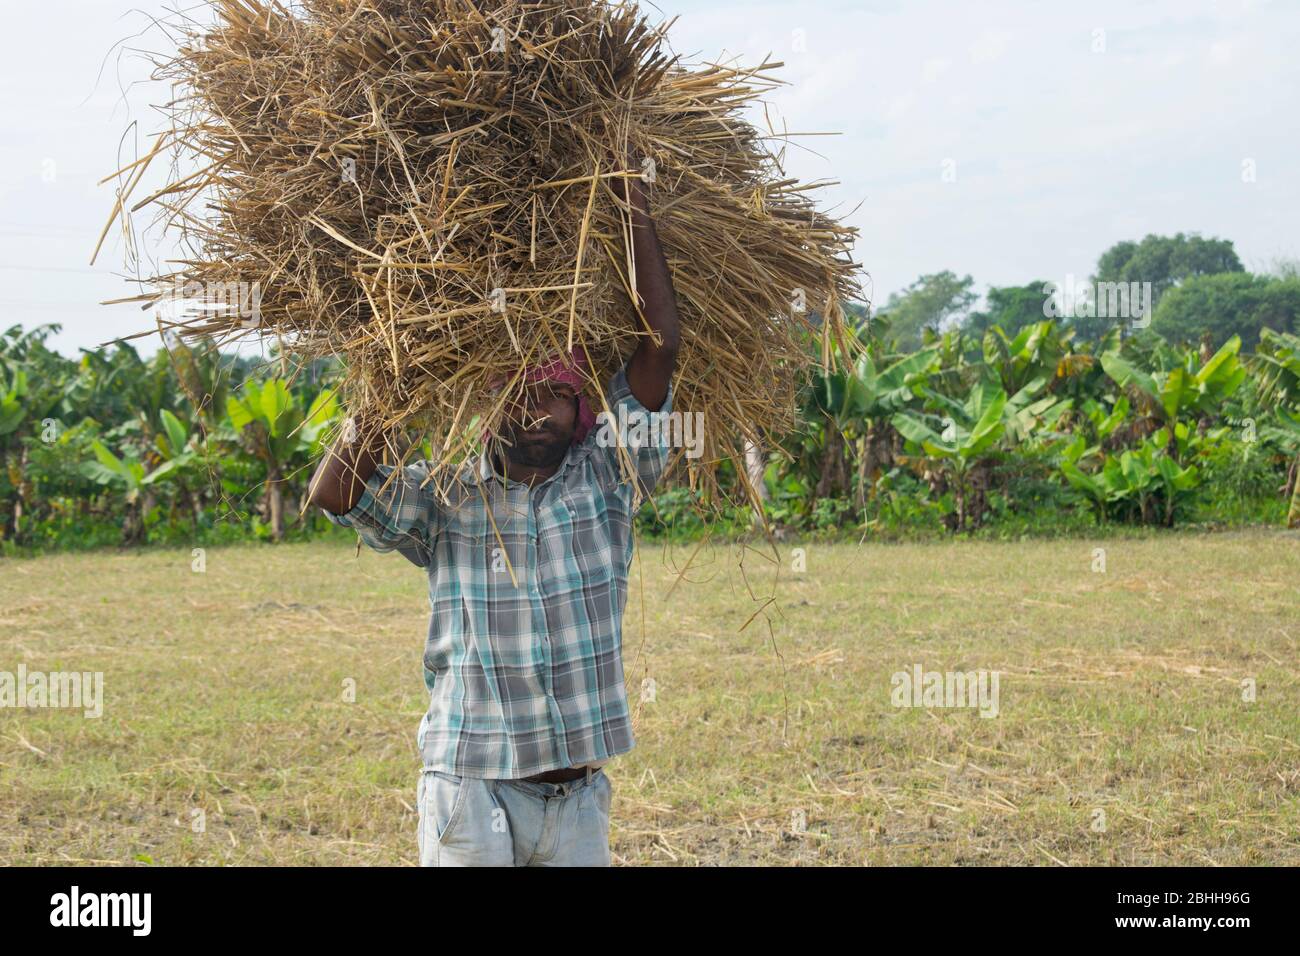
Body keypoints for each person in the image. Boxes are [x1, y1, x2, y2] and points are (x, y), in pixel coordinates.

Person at [307, 168, 680, 866]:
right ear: (485, 411)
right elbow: (335, 492)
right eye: (514, 396)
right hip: (469, 789)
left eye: (554, 397)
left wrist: (632, 198)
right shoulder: (446, 499)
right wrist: (401, 359)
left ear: (582, 413)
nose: (535, 413)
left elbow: (658, 348)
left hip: (577, 798)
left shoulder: (609, 482)